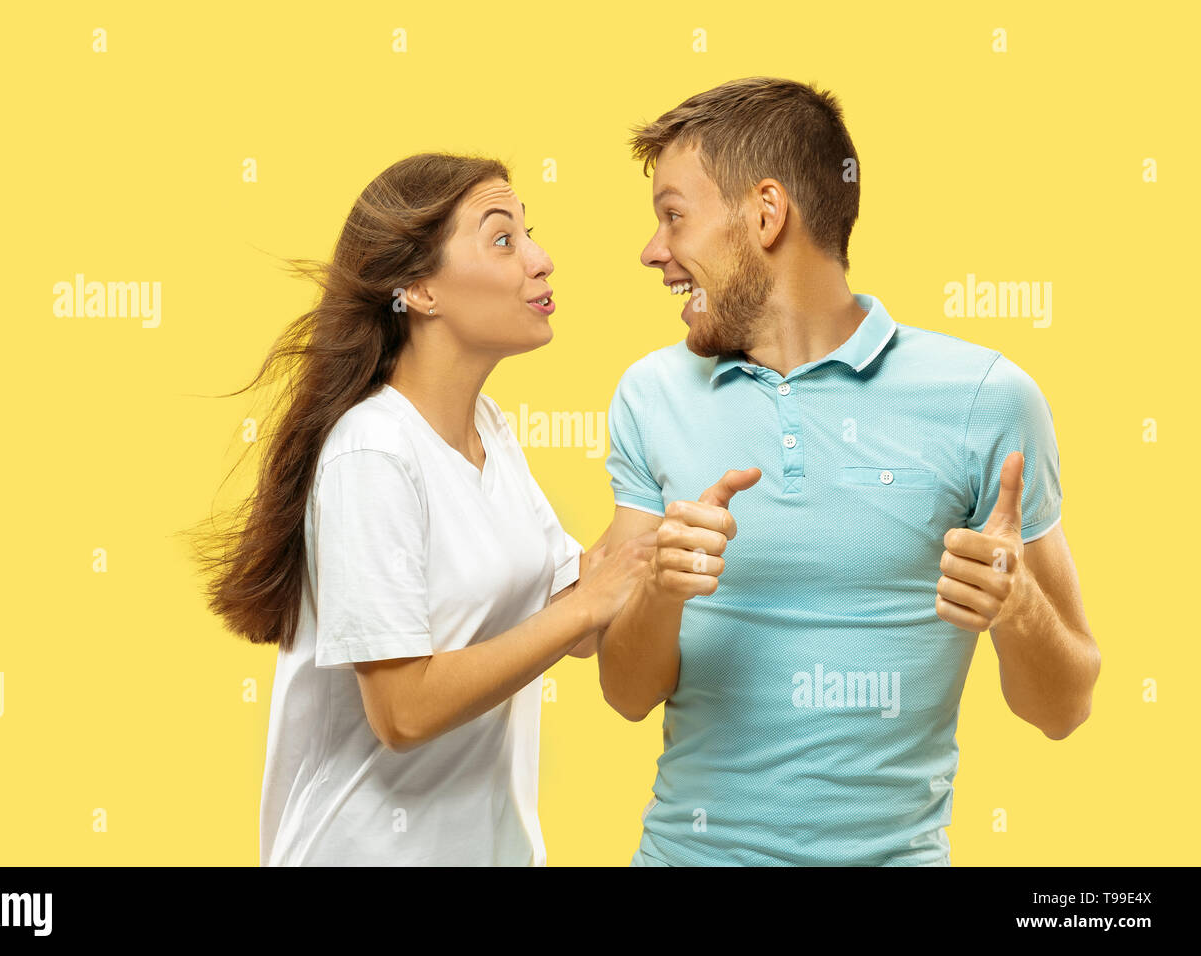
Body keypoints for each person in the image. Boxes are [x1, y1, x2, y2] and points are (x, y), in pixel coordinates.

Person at [590, 77, 1101, 866]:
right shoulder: (650, 396)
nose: (654, 251)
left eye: (673, 215)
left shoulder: (985, 399)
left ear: (765, 214)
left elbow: (1065, 708)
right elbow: (625, 694)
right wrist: (659, 587)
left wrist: (1017, 602)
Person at [190, 152, 653, 865]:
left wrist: (664, 492)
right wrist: (584, 608)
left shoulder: (488, 432)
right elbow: (403, 712)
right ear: (420, 292)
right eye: (503, 239)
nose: (541, 258)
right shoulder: (372, 451)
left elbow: (581, 611)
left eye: (530, 233)